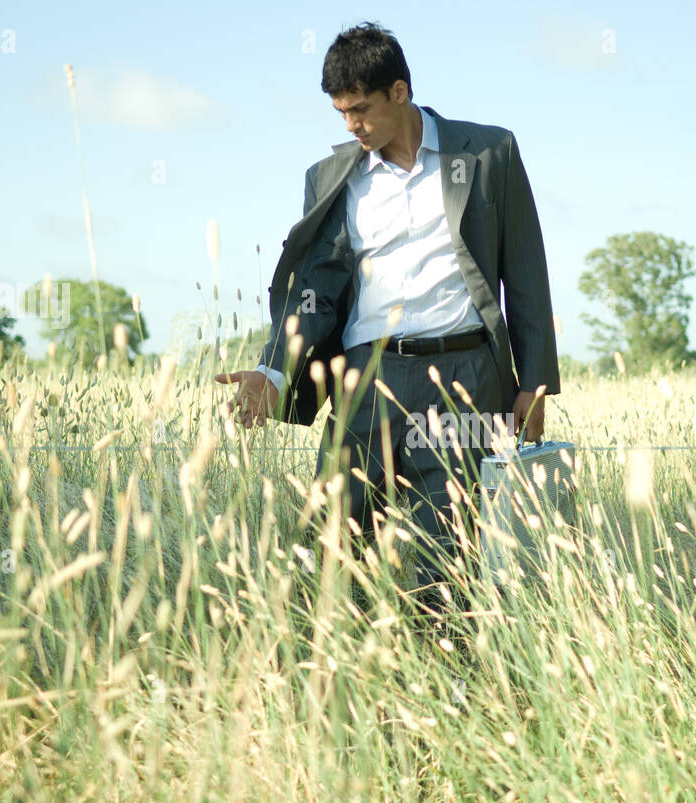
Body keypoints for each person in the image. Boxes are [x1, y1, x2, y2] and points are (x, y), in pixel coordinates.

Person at [215, 20, 560, 637]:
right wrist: (274, 369)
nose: (351, 125)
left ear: (400, 91)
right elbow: (314, 293)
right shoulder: (331, 179)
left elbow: (525, 272)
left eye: (361, 109)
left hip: (464, 377)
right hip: (363, 381)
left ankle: (443, 699)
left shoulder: (487, 153)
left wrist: (534, 382)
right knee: (333, 548)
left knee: (445, 561)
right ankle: (345, 693)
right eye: (341, 112)